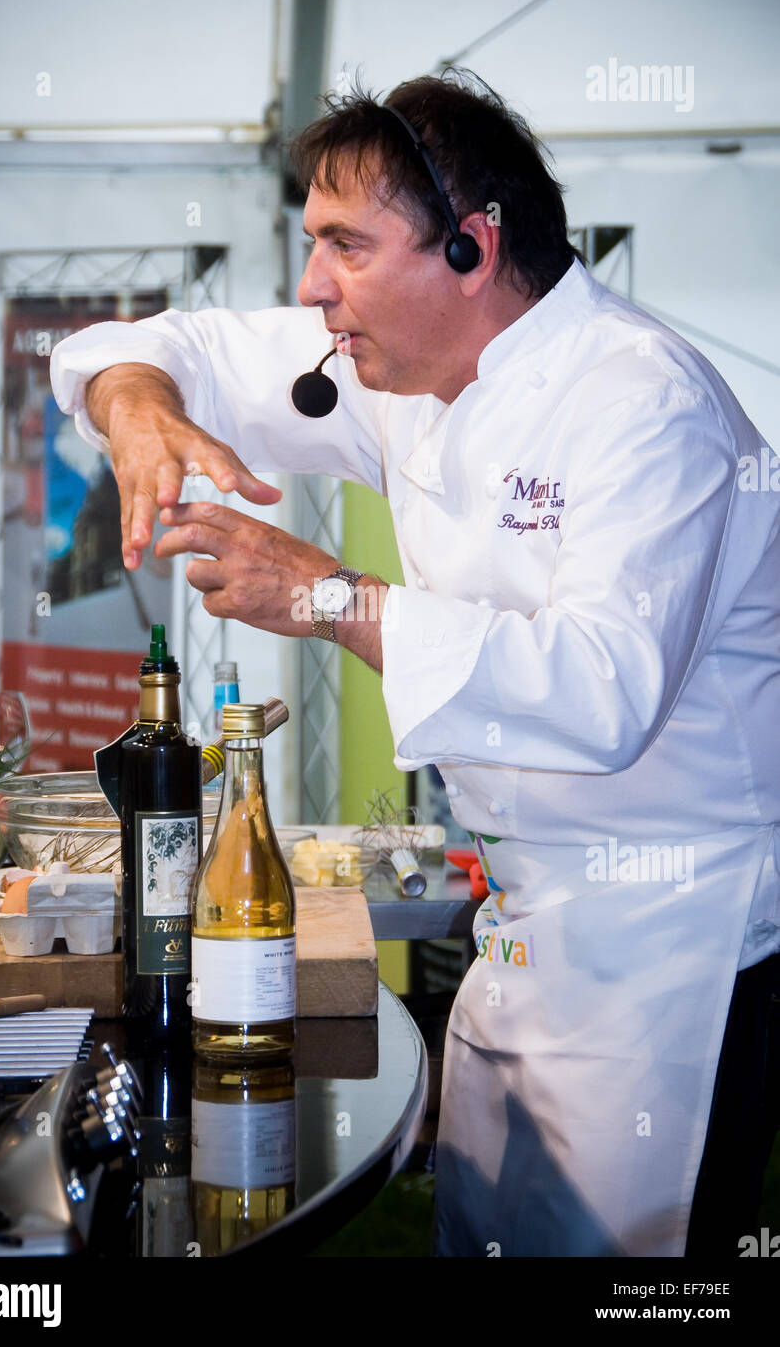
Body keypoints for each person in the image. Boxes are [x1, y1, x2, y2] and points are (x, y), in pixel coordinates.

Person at [50, 70, 780, 1257]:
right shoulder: (400, 374)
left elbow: (603, 692)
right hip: (527, 930)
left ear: (471, 248)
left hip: (671, 955)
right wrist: (136, 405)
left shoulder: (646, 405)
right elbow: (172, 350)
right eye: (312, 243)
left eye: (345, 244)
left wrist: (329, 596)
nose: (311, 285)